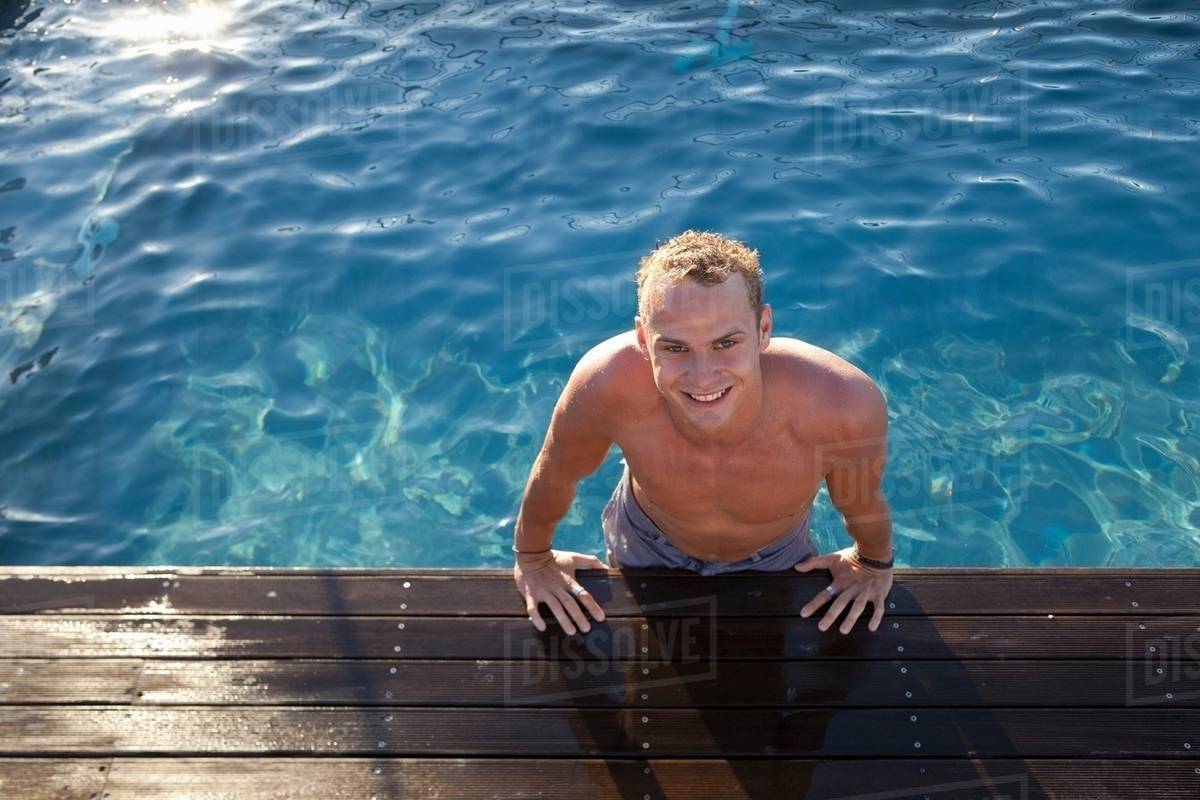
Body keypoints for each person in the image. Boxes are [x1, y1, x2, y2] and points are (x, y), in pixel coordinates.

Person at [511, 230, 895, 637]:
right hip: (646, 542)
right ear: (643, 339)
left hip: (777, 553)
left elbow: (861, 500)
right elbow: (557, 471)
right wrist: (534, 559)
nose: (702, 375)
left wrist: (871, 564)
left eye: (725, 342)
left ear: (764, 328)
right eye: (675, 348)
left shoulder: (841, 403)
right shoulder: (607, 383)